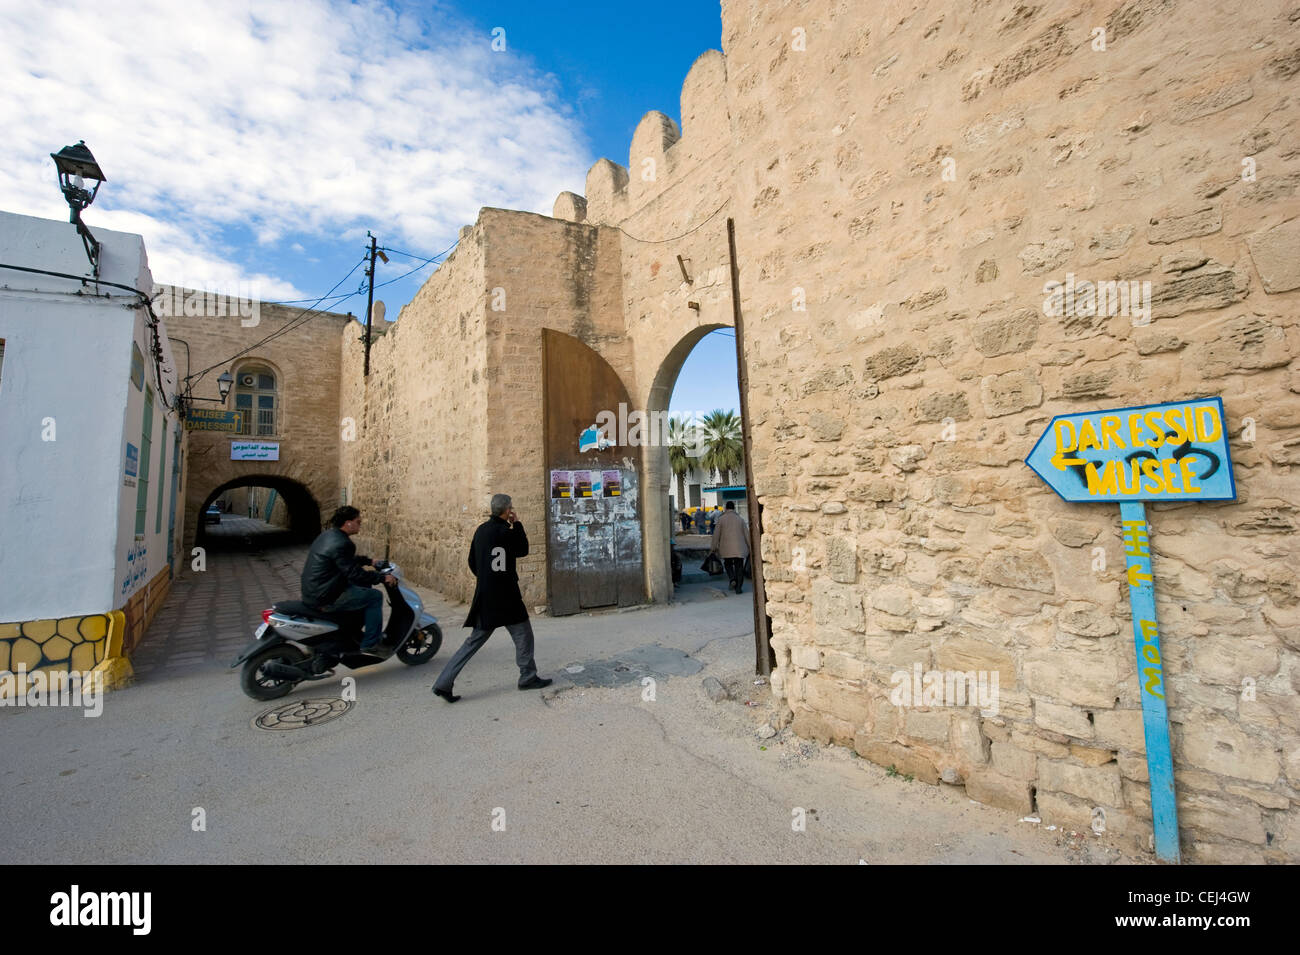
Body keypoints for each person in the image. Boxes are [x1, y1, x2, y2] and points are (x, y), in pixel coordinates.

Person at [433, 493, 551, 702]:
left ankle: (444, 682)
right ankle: (528, 676)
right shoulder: (506, 532)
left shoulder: (481, 531)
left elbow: (472, 561)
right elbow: (523, 549)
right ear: (507, 511)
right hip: (507, 595)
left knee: (473, 642)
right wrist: (518, 524)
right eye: (510, 509)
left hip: (486, 595)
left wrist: (487, 578)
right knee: (524, 635)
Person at [300, 506, 397, 652]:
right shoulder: (343, 543)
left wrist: (369, 561)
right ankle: (370, 644)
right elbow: (355, 573)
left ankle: (351, 630)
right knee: (374, 596)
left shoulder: (328, 535)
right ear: (348, 523)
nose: (360, 524)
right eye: (358, 521)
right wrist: (382, 577)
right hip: (326, 596)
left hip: (314, 590)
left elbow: (345, 560)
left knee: (361, 588)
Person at [711, 501, 751, 594]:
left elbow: (716, 535)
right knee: (739, 567)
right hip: (739, 548)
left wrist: (713, 547)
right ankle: (738, 588)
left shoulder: (721, 519)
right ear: (734, 508)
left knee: (728, 564)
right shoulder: (740, 519)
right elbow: (746, 534)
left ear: (726, 508)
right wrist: (750, 546)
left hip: (726, 548)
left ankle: (732, 578)